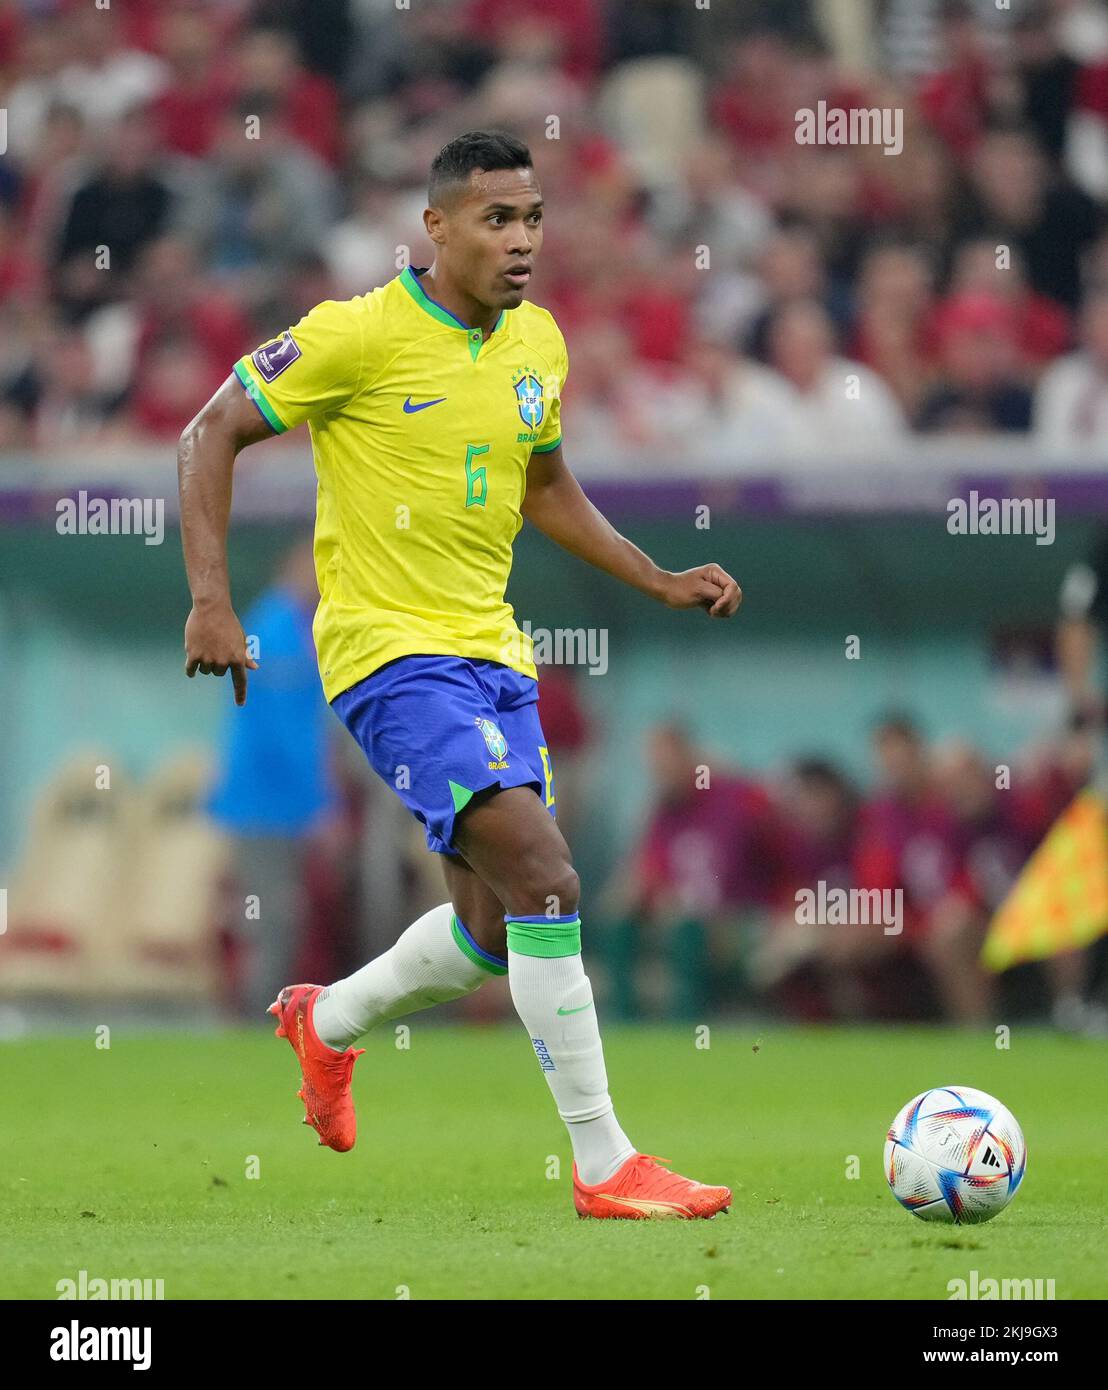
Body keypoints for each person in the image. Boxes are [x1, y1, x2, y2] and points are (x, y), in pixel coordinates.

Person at [177, 131, 741, 1221]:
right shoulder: (356, 333)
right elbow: (209, 433)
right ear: (435, 228)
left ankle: (326, 1021)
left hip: (494, 651)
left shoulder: (538, 345)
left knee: (491, 932)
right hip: (389, 654)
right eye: (496, 219)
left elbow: (545, 486)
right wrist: (212, 598)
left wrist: (656, 577)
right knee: (548, 875)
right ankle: (605, 1162)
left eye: (531, 218)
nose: (521, 239)